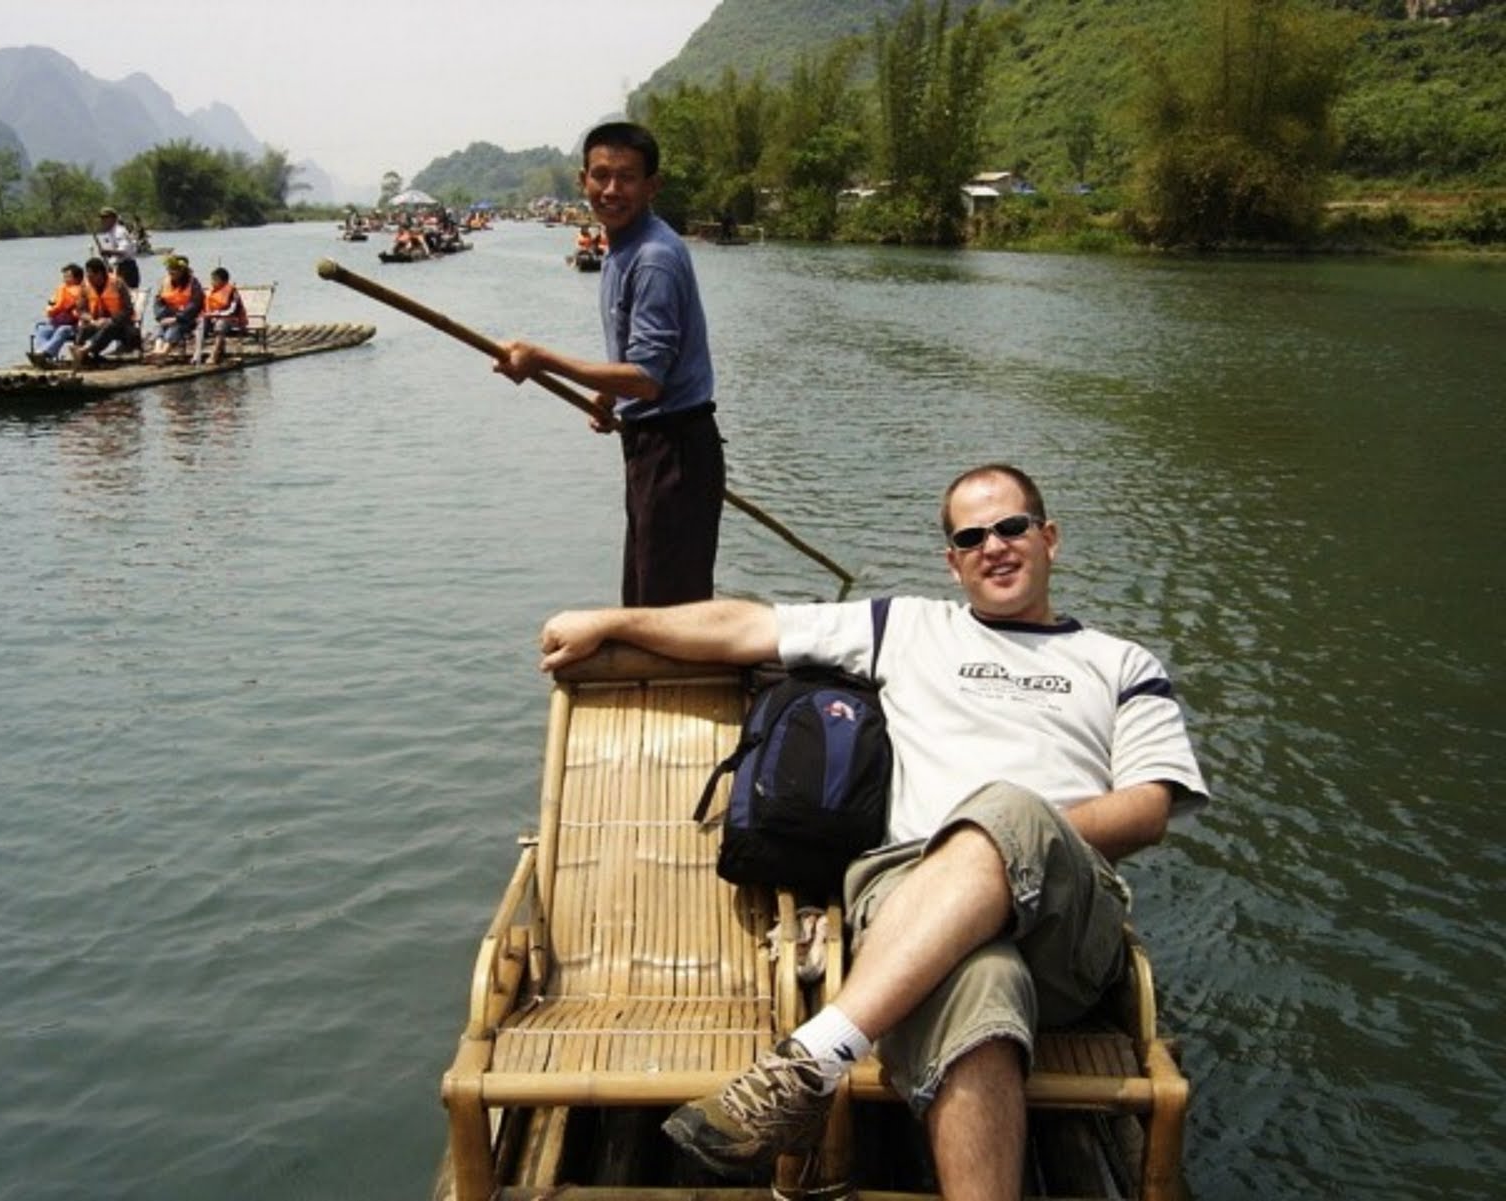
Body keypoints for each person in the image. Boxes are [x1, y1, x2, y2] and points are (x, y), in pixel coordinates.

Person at [537, 464, 1210, 1201]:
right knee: (979, 978)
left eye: (1012, 526)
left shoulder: (1120, 663)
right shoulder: (905, 626)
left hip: (1063, 914)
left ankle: (808, 1062)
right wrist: (613, 620)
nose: (995, 545)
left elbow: (1148, 806)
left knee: (1005, 809)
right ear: (953, 562)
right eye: (971, 536)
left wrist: (1003, 835)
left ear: (1048, 539)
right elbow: (747, 625)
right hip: (908, 896)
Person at [495, 120, 723, 607]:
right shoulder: (622, 247)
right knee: (645, 601)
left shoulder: (654, 257)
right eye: (601, 176)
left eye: (627, 178)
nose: (611, 190)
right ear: (583, 181)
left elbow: (646, 381)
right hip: (651, 448)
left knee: (667, 617)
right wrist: (605, 395)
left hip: (675, 453)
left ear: (652, 185)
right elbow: (633, 357)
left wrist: (540, 360)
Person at [73, 256, 141, 366]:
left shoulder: (118, 283)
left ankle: (86, 348)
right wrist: (91, 320)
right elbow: (81, 310)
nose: (88, 278)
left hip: (120, 324)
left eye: (91, 275)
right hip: (96, 322)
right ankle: (81, 355)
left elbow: (128, 309)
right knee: (84, 328)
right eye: (87, 275)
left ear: (99, 273)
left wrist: (109, 319)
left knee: (110, 326)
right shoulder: (85, 286)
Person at [28, 262, 86, 367]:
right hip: (57, 322)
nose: (65, 279)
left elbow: (81, 312)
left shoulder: (84, 291)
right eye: (64, 276)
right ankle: (40, 354)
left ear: (78, 278)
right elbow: (52, 305)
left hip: (74, 326)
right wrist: (51, 309)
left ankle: (47, 354)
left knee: (63, 329)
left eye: (68, 276)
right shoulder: (61, 290)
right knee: (42, 329)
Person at [149, 255, 205, 358]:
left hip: (188, 319)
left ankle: (164, 353)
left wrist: (177, 318)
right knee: (159, 327)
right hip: (168, 316)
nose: (171, 272)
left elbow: (195, 305)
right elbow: (158, 302)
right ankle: (157, 349)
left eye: (174, 270)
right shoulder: (165, 282)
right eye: (169, 269)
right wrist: (161, 317)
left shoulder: (193, 283)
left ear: (182, 271)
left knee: (175, 328)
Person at [198, 267, 247, 364]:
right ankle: (197, 353)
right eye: (212, 279)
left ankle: (214, 354)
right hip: (213, 317)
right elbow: (206, 307)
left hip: (232, 319)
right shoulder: (210, 291)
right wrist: (209, 316)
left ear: (224, 281)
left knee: (221, 324)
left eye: (215, 280)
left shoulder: (232, 291)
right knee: (200, 323)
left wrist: (217, 315)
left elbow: (232, 310)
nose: (212, 282)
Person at [94, 207, 139, 288]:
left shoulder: (119, 231)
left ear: (114, 218)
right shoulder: (110, 233)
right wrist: (107, 256)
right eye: (102, 218)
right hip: (117, 268)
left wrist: (107, 252)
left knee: (126, 294)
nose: (103, 220)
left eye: (105, 218)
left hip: (127, 268)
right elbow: (111, 253)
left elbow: (124, 252)